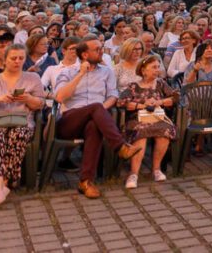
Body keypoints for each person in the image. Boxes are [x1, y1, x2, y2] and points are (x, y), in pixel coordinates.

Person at [53, 38, 144, 198]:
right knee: (96, 107)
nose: (102, 51)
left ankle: (85, 182)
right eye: (97, 49)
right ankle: (120, 146)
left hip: (95, 121)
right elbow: (60, 97)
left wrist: (99, 111)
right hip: (70, 121)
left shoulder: (106, 72)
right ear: (85, 54)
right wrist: (81, 74)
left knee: (94, 125)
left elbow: (113, 96)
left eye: (101, 48)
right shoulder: (67, 72)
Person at [0, 44, 44, 208]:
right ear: (4, 60)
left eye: (21, 58)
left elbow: (40, 104)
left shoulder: (33, 79)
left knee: (18, 134)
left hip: (22, 121)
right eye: (13, 58)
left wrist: (27, 99)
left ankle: (0, 186)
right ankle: (0, 187)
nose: (17, 61)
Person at [117, 55, 178, 188]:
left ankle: (156, 170)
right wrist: (142, 105)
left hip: (157, 117)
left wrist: (159, 102)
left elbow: (175, 97)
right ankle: (133, 174)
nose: (157, 70)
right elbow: (121, 102)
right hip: (138, 119)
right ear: (143, 70)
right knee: (141, 131)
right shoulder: (134, 86)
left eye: (158, 67)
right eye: (153, 67)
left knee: (165, 130)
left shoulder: (161, 83)